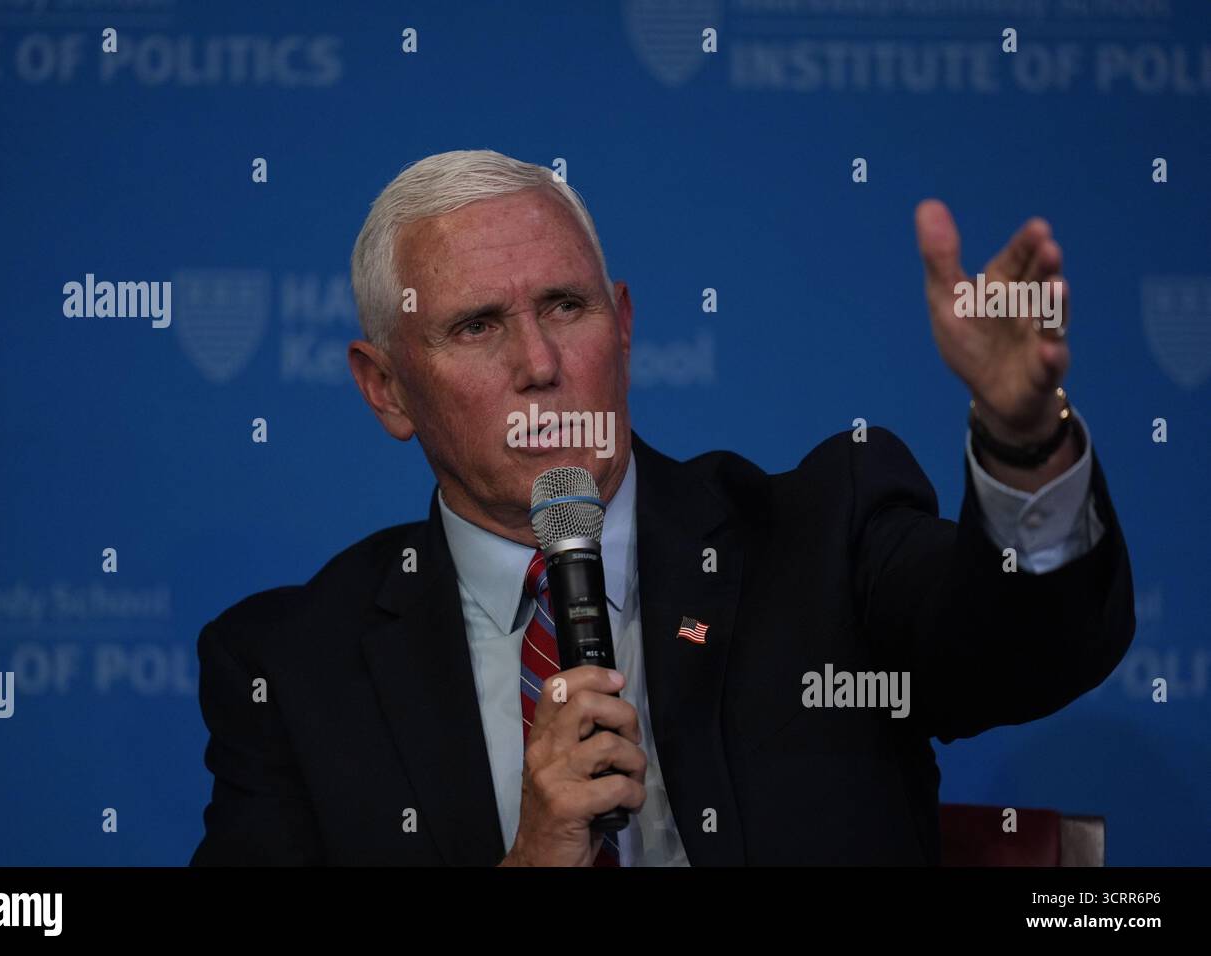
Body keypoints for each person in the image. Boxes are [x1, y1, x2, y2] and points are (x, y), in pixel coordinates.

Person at [190, 149, 1134, 866]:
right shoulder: (290, 671)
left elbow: (1027, 651)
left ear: (626, 326)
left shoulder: (819, 539)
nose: (539, 365)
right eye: (477, 326)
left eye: (566, 306)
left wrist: (1022, 442)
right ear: (386, 388)